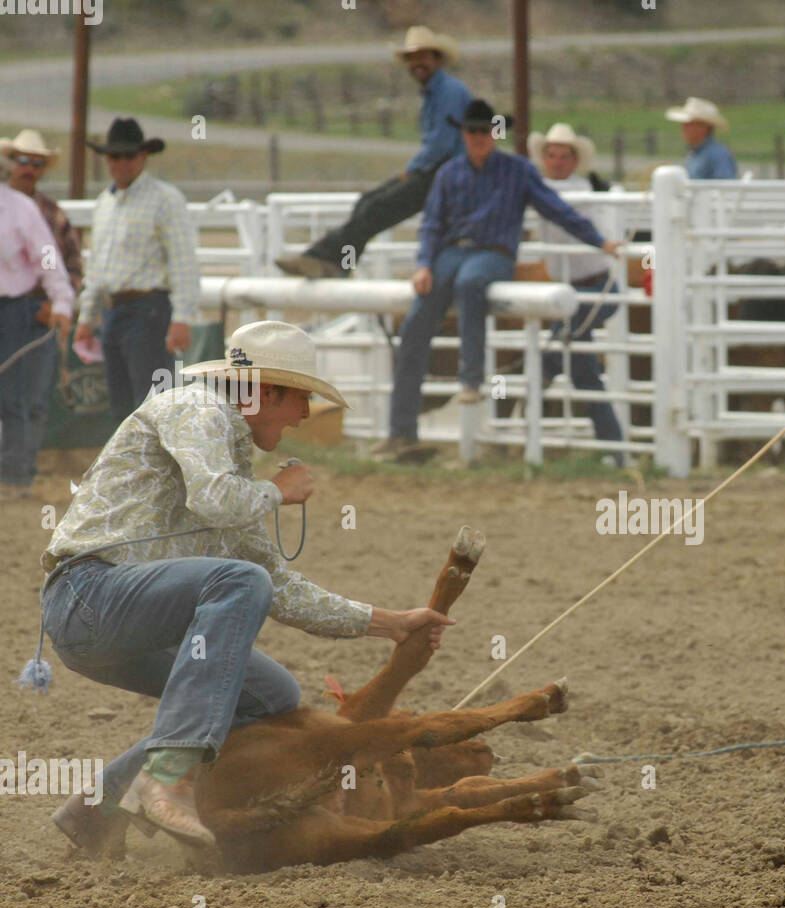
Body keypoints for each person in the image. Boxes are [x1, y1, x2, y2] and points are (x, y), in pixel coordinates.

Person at [43, 321, 455, 855]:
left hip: (110, 618)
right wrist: (276, 492)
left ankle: (95, 811)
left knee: (271, 697)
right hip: (89, 595)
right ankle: (167, 774)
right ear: (263, 390)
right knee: (238, 581)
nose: (306, 413)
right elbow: (218, 504)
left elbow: (276, 586)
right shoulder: (197, 408)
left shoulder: (225, 454)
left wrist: (390, 622)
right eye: (301, 396)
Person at [380, 99, 623, 455]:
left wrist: (599, 240)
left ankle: (473, 378)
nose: (479, 137)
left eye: (484, 130)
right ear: (464, 133)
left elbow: (558, 210)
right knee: (417, 323)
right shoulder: (450, 174)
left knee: (471, 283)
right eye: (472, 130)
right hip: (454, 253)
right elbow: (432, 223)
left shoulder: (518, 172)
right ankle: (402, 430)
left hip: (494, 253)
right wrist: (425, 263)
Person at [275, 25, 471, 279]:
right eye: (412, 58)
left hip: (445, 173)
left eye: (422, 56)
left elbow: (440, 145)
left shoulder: (449, 92)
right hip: (438, 170)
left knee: (375, 207)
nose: (416, 63)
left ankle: (322, 258)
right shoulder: (439, 91)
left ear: (436, 58)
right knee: (368, 203)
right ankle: (337, 263)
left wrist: (410, 171)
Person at [74, 117, 199, 424]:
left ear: (143, 156)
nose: (122, 163)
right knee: (120, 405)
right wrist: (86, 316)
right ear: (107, 159)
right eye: (115, 156)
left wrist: (182, 316)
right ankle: (131, 470)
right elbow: (98, 267)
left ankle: (157, 470)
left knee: (153, 401)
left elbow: (183, 260)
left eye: (129, 155)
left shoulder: (164, 199)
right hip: (113, 311)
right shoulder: (104, 203)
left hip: (149, 310)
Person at [527, 122, 625, 466]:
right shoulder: (544, 188)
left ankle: (526, 439)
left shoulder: (578, 189)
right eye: (550, 155)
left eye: (563, 156)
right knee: (585, 373)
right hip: (571, 292)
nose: (556, 161)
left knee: (551, 357)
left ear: (573, 160)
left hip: (595, 287)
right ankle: (615, 450)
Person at [2, 129, 83, 491]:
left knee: (23, 397)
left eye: (37, 163)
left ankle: (17, 475)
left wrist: (58, 304)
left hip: (23, 309)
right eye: (23, 161)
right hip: (18, 309)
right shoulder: (25, 208)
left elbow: (59, 263)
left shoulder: (36, 211)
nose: (29, 169)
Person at [665, 97, 737, 180]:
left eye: (688, 124)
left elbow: (725, 188)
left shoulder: (718, 154)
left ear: (704, 127)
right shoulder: (693, 154)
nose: (683, 128)